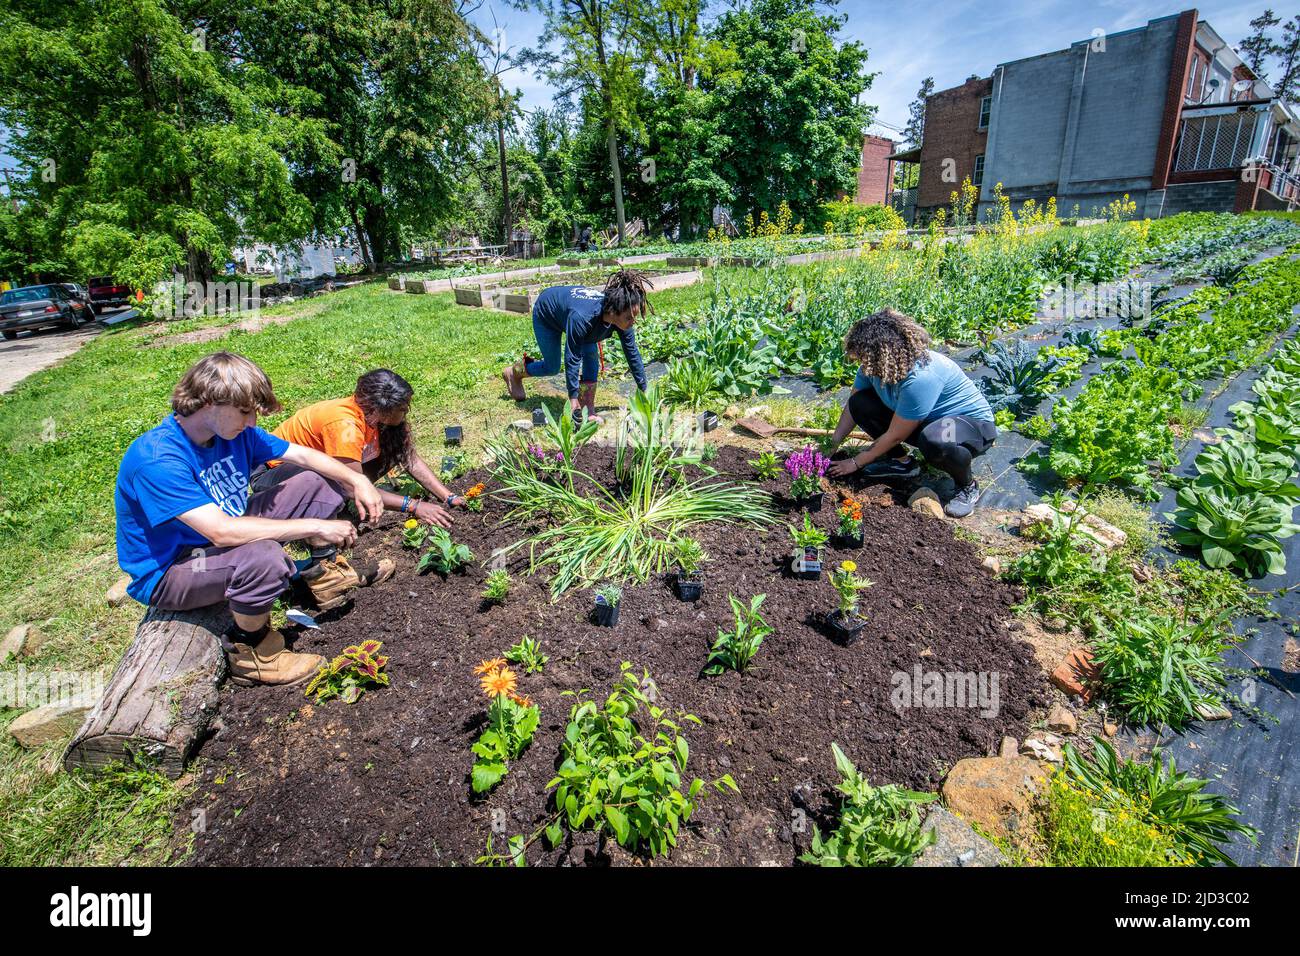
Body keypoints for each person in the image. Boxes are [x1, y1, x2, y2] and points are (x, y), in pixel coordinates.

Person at [115, 352, 392, 687]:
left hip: (221, 537)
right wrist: (317, 526)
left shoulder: (235, 435)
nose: (251, 423)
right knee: (264, 559)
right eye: (245, 412)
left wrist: (359, 481)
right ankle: (256, 652)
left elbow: (302, 455)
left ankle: (323, 576)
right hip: (177, 567)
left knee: (319, 482)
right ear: (208, 402)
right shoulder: (157, 459)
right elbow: (220, 532)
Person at [826, 308, 997, 518]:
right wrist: (831, 445)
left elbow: (896, 434)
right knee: (861, 403)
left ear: (885, 355)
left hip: (970, 426)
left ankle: (967, 486)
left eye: (865, 357)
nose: (862, 363)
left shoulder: (921, 376)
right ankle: (903, 464)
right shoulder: (873, 369)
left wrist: (856, 462)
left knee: (936, 441)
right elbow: (852, 407)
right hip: (922, 422)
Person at [254, 369, 464, 530]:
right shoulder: (345, 425)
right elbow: (351, 485)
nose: (407, 412)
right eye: (403, 409)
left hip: (316, 468)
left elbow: (410, 459)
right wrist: (414, 506)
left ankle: (339, 505)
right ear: (382, 410)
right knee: (332, 479)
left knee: (392, 447)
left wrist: (448, 497)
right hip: (275, 478)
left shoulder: (375, 418)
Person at [501, 270, 651, 424]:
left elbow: (632, 352)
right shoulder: (583, 317)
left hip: (572, 312)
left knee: (591, 355)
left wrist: (644, 390)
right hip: (548, 313)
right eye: (629, 318)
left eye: (635, 317)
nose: (633, 322)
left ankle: (588, 408)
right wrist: (573, 400)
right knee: (552, 367)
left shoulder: (623, 317)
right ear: (612, 312)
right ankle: (514, 372)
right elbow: (572, 357)